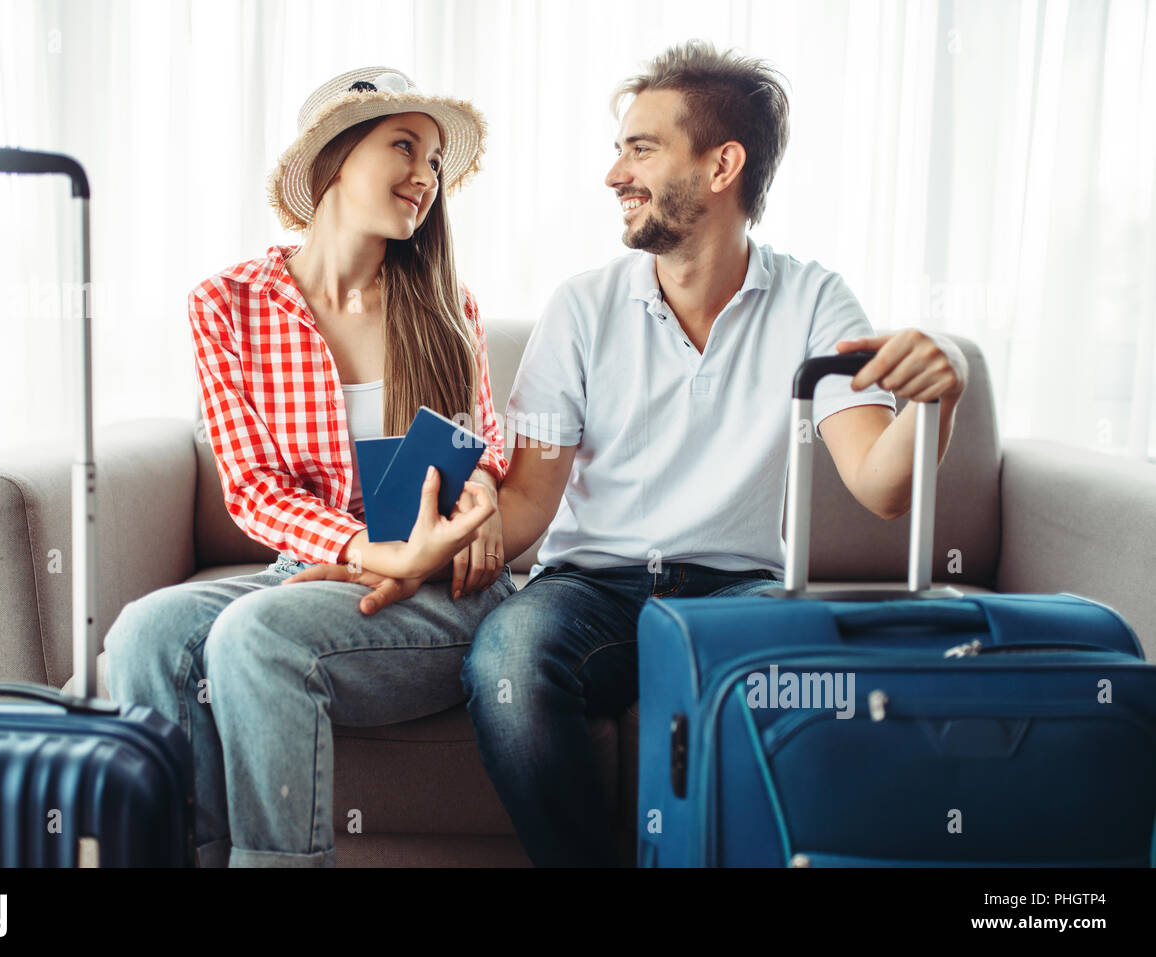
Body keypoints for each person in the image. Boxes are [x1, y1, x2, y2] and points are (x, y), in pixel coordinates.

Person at [317, 40, 971, 867]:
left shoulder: (813, 299)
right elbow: (528, 501)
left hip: (736, 589)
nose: (614, 173)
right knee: (508, 662)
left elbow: (882, 486)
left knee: (815, 695)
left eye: (641, 148)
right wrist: (411, 556)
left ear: (721, 164)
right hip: (590, 589)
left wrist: (938, 394)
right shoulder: (585, 307)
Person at [103, 66, 512, 868]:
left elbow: (485, 447)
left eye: (434, 159)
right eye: (405, 146)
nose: (425, 176)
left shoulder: (444, 304)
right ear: (332, 161)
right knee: (143, 633)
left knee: (257, 636)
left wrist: (475, 496)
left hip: (437, 589)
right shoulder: (227, 303)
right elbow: (252, 486)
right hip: (314, 572)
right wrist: (362, 552)